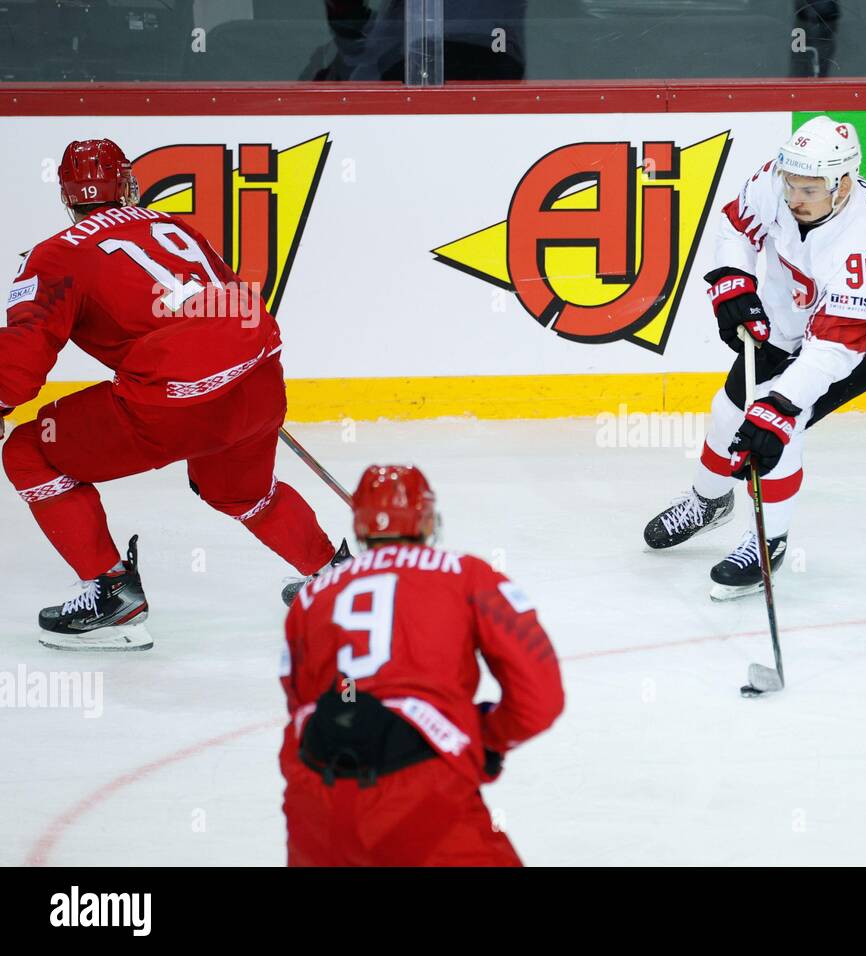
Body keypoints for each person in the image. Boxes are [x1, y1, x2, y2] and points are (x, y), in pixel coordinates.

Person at [0, 138, 345, 651]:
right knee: (244, 492)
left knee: (29, 451)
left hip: (172, 400)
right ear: (128, 185)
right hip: (258, 375)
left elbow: (20, 365)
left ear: (68, 197)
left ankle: (111, 594)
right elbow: (228, 299)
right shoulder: (175, 226)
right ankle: (339, 582)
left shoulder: (55, 255)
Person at [643, 116, 866, 600]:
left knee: (778, 427)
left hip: (865, 342)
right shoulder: (782, 177)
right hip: (789, 310)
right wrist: (733, 280)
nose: (795, 198)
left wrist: (780, 406)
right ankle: (708, 503)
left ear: (844, 184)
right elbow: (736, 226)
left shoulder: (865, 245)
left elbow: (834, 350)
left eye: (810, 191)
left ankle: (768, 540)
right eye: (791, 184)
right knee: (728, 412)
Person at [280, 464, 564, 866]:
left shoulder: (309, 600)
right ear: (428, 521)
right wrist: (486, 738)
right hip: (420, 793)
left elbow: (299, 708)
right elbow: (541, 697)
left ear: (360, 527)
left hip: (316, 804)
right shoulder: (468, 576)